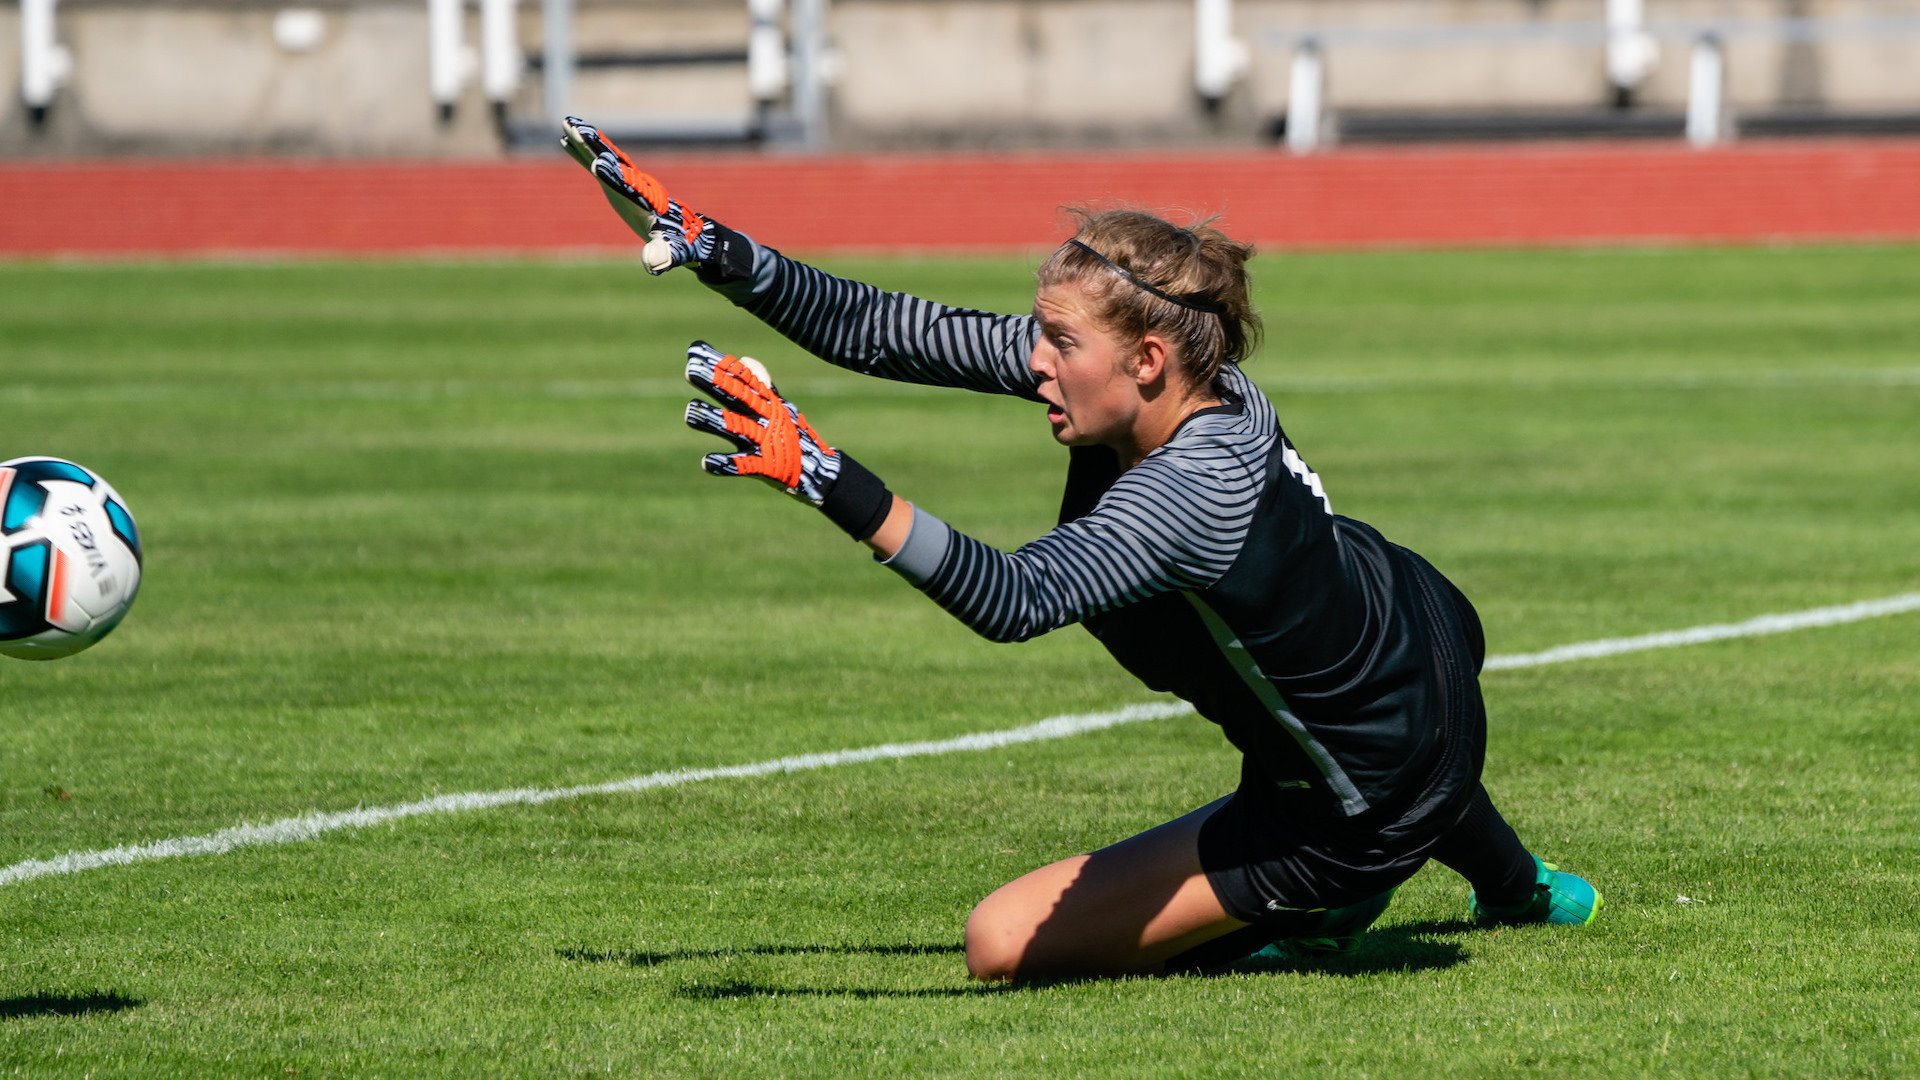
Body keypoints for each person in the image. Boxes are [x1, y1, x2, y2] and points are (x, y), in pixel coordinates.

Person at [561, 118, 1602, 982]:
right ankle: (1519, 887)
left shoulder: (1188, 493)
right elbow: (889, 330)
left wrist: (827, 478)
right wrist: (718, 249)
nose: (1037, 361)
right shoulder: (1197, 376)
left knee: (998, 944)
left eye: (1060, 342)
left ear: (1145, 361)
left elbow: (1012, 599)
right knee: (1380, 728)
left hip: (1352, 800)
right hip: (1423, 636)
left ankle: (1340, 893)